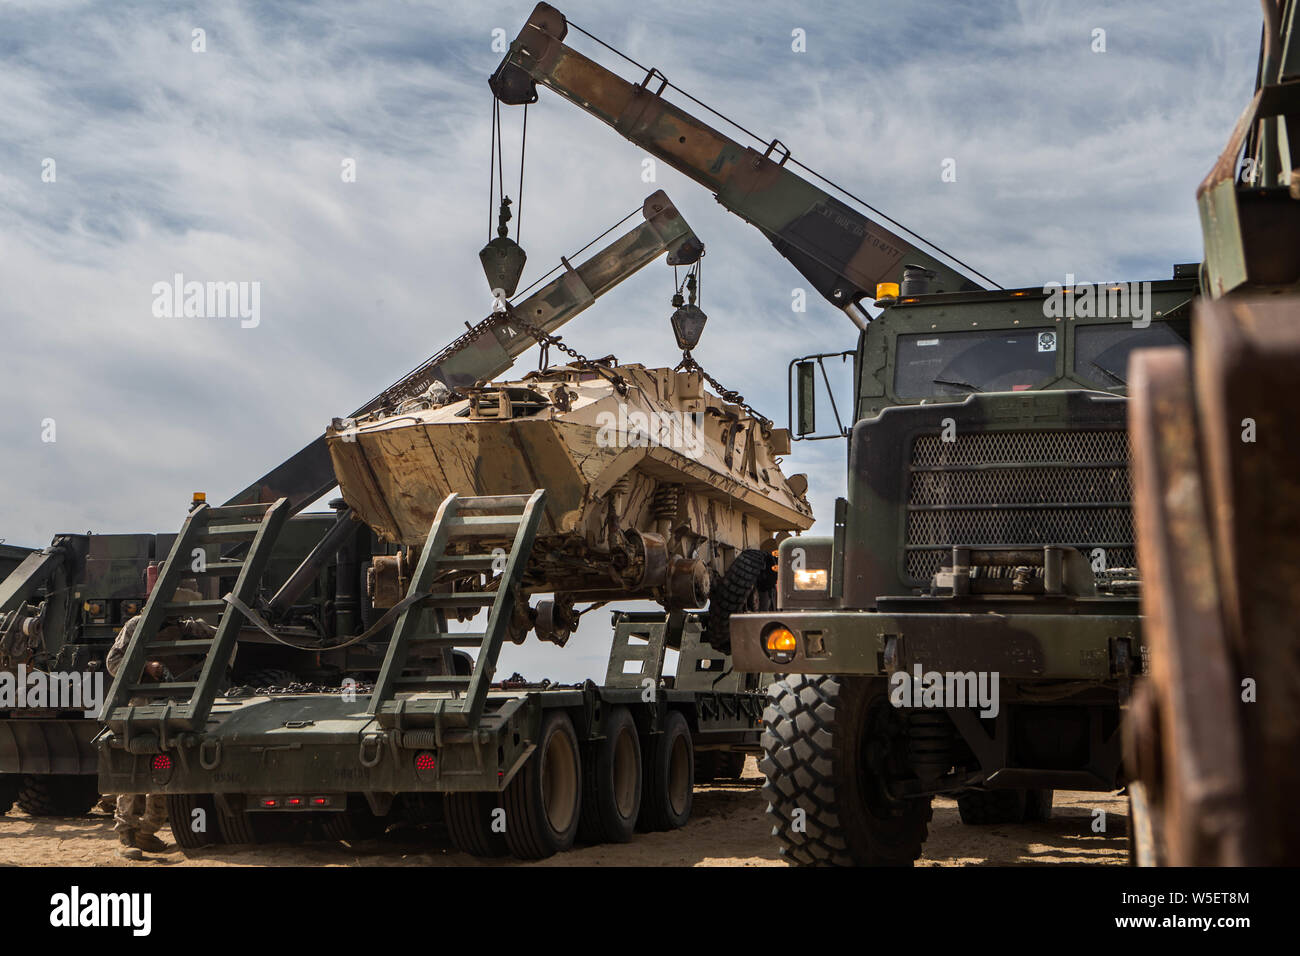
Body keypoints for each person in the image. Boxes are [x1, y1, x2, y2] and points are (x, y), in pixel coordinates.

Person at [104, 582, 215, 860]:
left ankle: (148, 831)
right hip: (142, 710)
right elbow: (113, 662)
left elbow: (219, 640)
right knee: (134, 772)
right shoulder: (136, 625)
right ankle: (126, 835)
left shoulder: (188, 626)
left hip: (175, 708)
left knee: (166, 771)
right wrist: (145, 668)